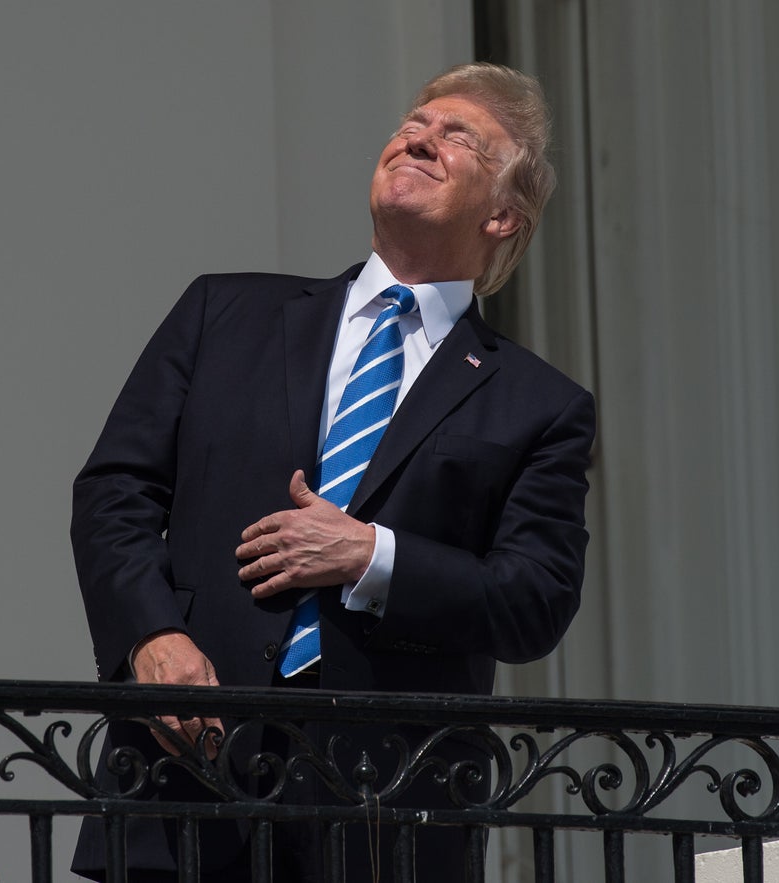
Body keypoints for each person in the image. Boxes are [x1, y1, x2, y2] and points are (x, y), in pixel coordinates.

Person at [69, 62, 595, 881]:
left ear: (503, 215)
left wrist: (370, 556)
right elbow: (115, 491)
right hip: (183, 783)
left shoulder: (538, 404)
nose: (420, 135)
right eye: (413, 124)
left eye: (459, 137)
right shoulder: (224, 313)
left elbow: (535, 601)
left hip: (390, 811)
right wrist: (151, 636)